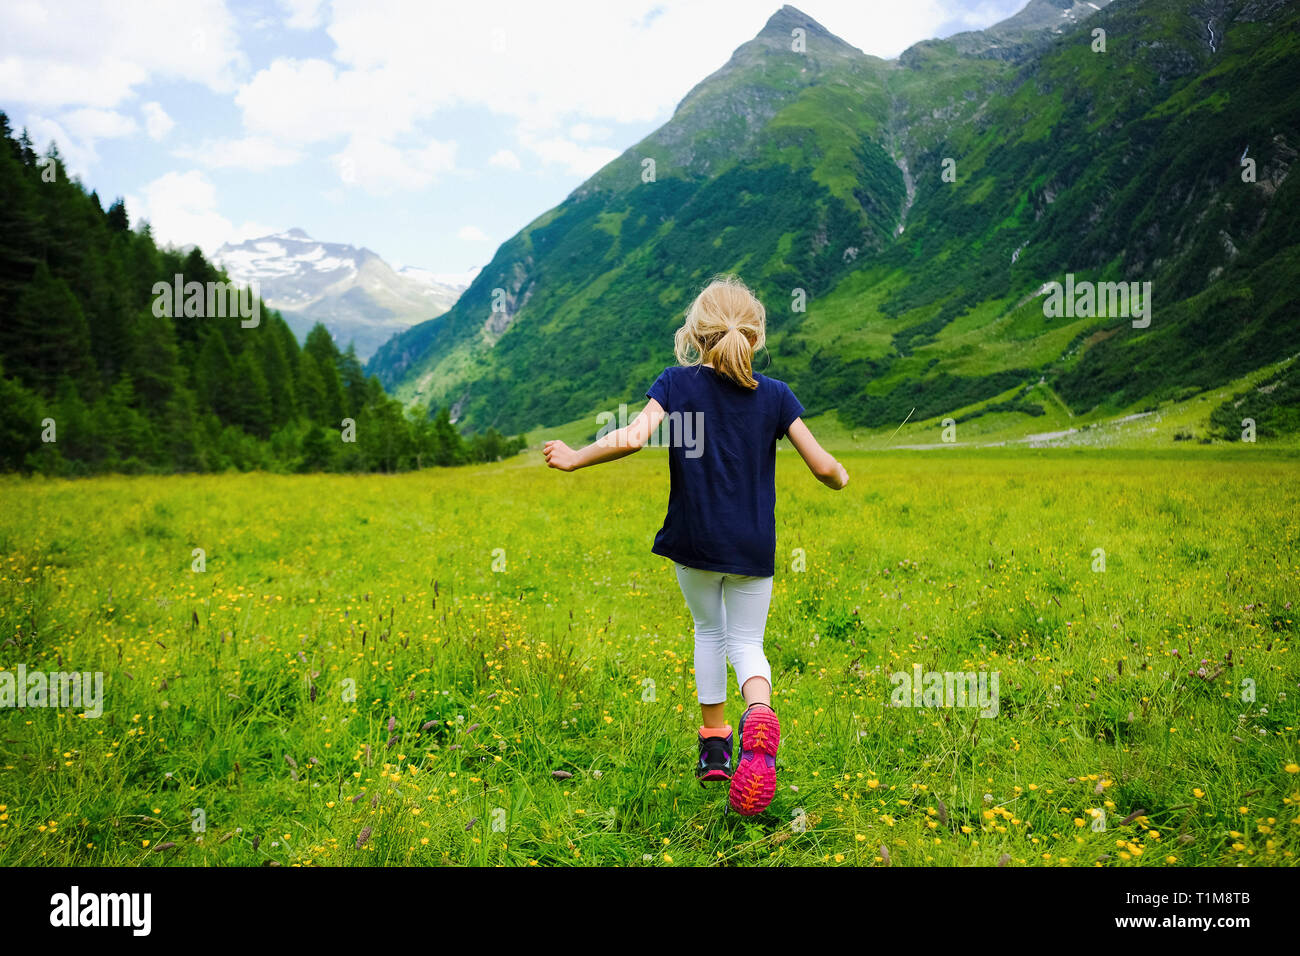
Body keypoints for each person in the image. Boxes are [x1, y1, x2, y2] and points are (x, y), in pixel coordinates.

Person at [543, 275, 849, 815]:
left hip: (695, 541)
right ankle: (760, 715)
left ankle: (715, 746)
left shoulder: (675, 384)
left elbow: (634, 437)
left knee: (709, 631)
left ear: (695, 333)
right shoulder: (776, 396)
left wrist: (573, 456)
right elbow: (823, 466)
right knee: (747, 643)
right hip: (753, 547)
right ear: (753, 337)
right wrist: (839, 477)